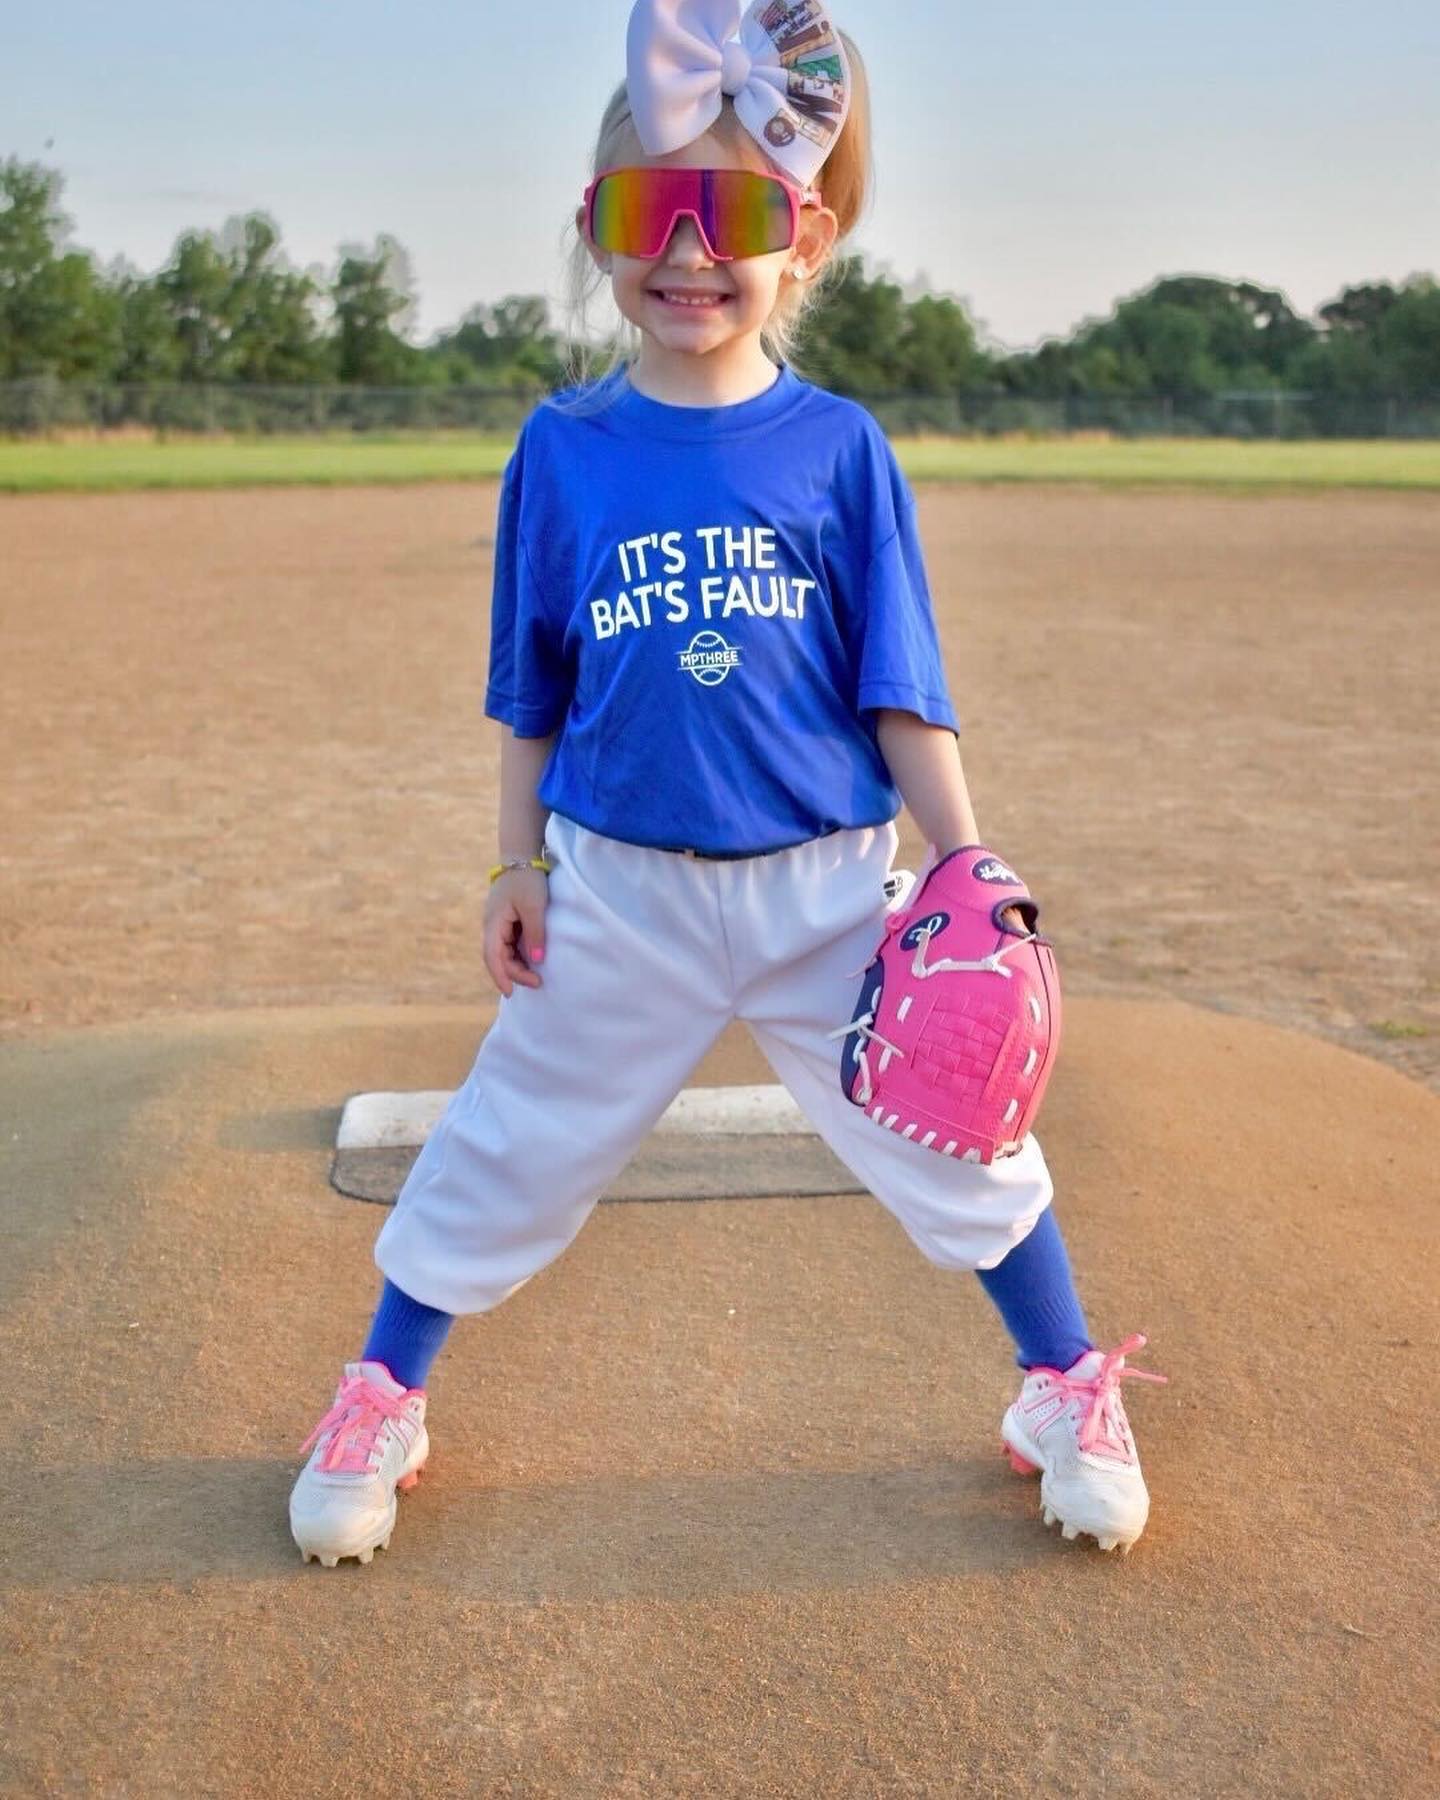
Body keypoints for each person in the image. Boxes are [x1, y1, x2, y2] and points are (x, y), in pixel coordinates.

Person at [288, 0, 1164, 1570]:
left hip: (827, 890)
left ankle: (1060, 1386)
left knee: (961, 1141)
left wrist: (969, 870)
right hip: (618, 887)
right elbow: (529, 688)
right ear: (594, 231)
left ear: (804, 235)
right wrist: (515, 868)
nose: (689, 254)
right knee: (507, 1146)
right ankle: (380, 1392)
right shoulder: (562, 448)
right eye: (649, 216)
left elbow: (903, 686)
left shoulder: (839, 448)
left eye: (736, 216)